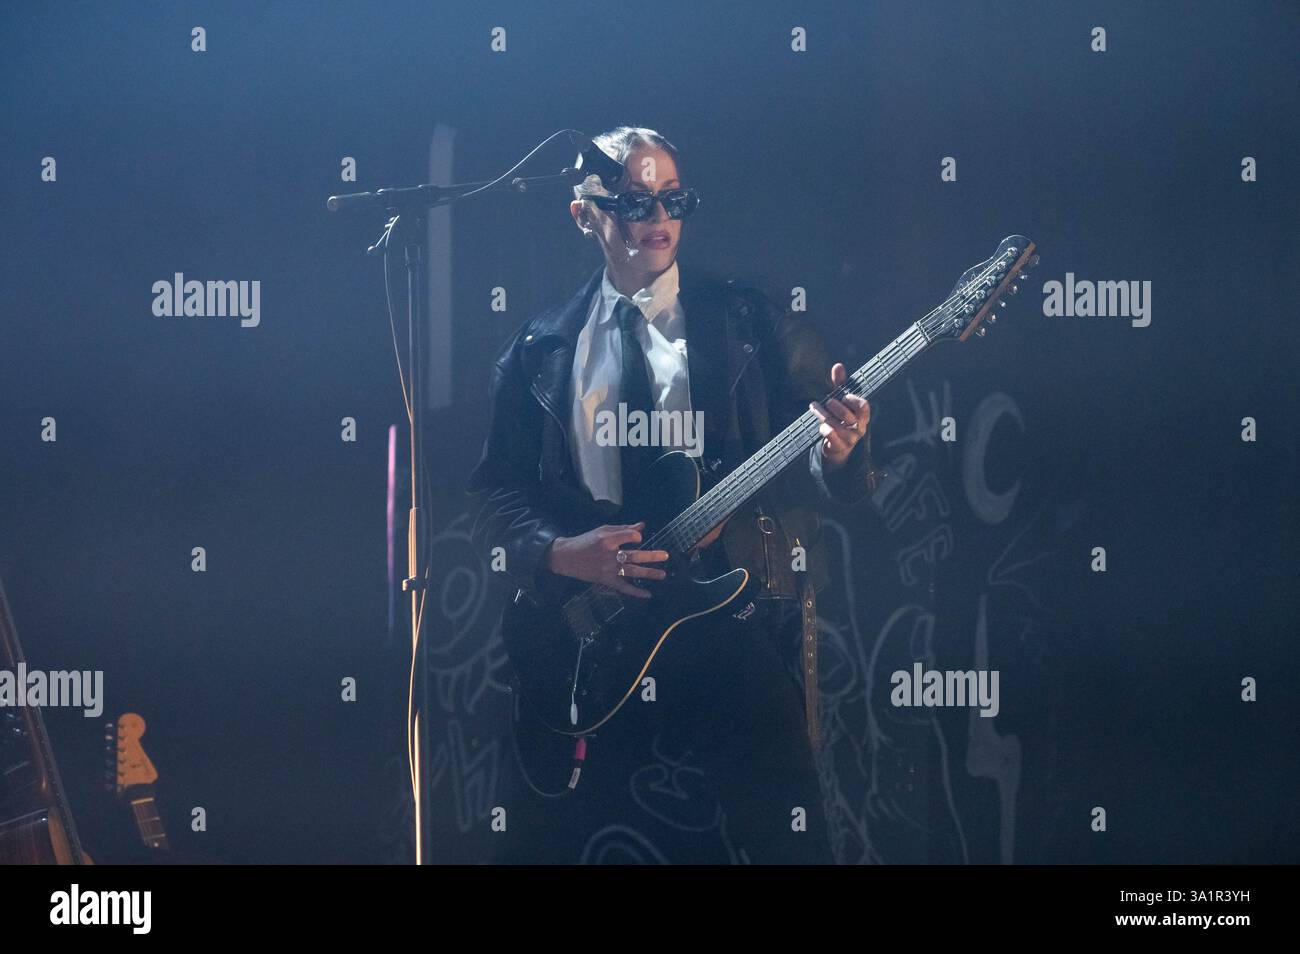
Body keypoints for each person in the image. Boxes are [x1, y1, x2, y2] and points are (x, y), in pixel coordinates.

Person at [466, 126, 880, 864]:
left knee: (786, 841)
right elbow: (494, 497)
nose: (658, 218)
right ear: (583, 213)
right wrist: (563, 556)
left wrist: (843, 450)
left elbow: (835, 472)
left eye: (674, 199)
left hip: (733, 622)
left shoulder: (750, 323)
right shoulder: (538, 350)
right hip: (593, 648)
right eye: (633, 201)